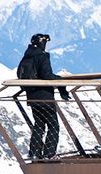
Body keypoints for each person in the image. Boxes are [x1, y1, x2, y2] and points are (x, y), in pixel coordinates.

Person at [16, 33, 69, 161]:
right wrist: (61, 83)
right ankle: (49, 154)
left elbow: (20, 74)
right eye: (44, 42)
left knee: (39, 125)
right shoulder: (42, 56)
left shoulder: (26, 57)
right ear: (41, 43)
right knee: (53, 125)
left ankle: (34, 153)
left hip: (32, 97)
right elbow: (47, 75)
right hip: (45, 96)